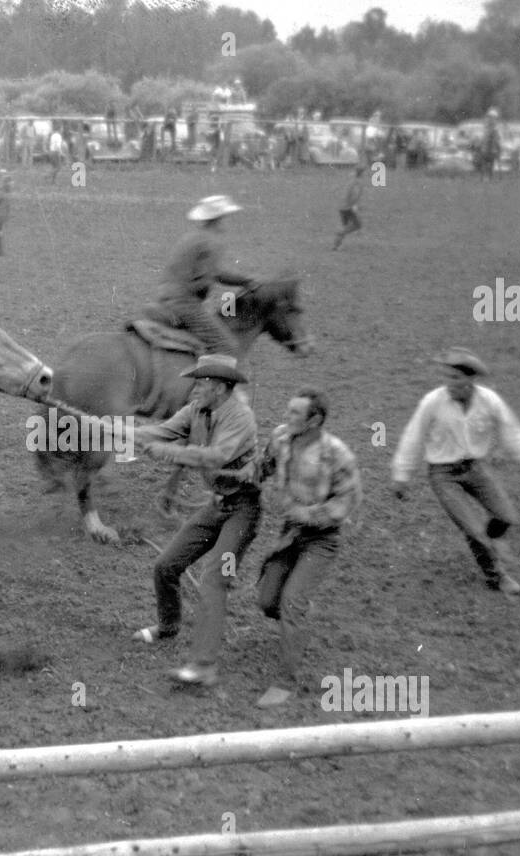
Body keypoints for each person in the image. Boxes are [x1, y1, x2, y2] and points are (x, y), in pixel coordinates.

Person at [130, 355, 261, 686]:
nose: (195, 388)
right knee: (166, 566)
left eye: (201, 383)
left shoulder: (240, 418)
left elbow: (215, 456)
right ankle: (169, 625)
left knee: (214, 580)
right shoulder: (196, 411)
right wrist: (117, 430)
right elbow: (161, 431)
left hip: (243, 509)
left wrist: (169, 453)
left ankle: (203, 665)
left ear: (218, 387)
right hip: (215, 505)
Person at [391, 348, 520, 595]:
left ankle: (488, 543)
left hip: (475, 468)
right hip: (443, 475)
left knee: (506, 517)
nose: (449, 384)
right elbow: (413, 437)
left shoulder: (490, 401)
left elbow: (512, 432)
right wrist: (402, 475)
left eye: (455, 378)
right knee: (473, 530)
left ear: (470, 379)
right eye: (446, 377)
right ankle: (496, 576)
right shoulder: (432, 402)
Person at [254, 390, 362, 703]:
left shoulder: (337, 454)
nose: (286, 418)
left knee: (291, 602)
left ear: (314, 420)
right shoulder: (281, 438)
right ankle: (297, 617)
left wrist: (308, 514)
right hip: (290, 533)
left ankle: (285, 682)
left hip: (322, 539)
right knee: (266, 602)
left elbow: (347, 501)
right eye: (288, 411)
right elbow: (264, 466)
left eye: (294, 414)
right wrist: (239, 474)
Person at [148, 195, 254, 355]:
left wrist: (244, 281)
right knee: (227, 347)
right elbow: (206, 279)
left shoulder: (192, 237)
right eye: (226, 217)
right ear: (219, 219)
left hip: (164, 297)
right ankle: (204, 380)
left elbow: (214, 273)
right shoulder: (212, 241)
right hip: (184, 303)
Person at [332, 162, 366, 250]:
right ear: (362, 173)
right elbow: (354, 194)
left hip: (342, 206)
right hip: (348, 207)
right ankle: (340, 233)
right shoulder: (358, 182)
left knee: (346, 225)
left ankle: (336, 245)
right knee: (357, 224)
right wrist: (354, 205)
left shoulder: (352, 179)